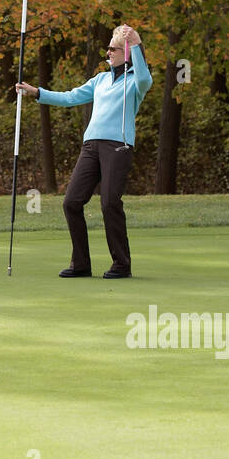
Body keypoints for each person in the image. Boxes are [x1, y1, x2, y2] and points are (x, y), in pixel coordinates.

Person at [16, 24, 153, 278]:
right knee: (71, 202)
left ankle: (121, 265)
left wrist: (136, 43)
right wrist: (37, 93)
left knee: (110, 202)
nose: (108, 53)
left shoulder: (136, 81)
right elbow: (70, 98)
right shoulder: (100, 80)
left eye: (112, 49)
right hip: (91, 146)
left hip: (118, 147)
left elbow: (145, 78)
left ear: (125, 52)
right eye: (107, 49)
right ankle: (81, 264)